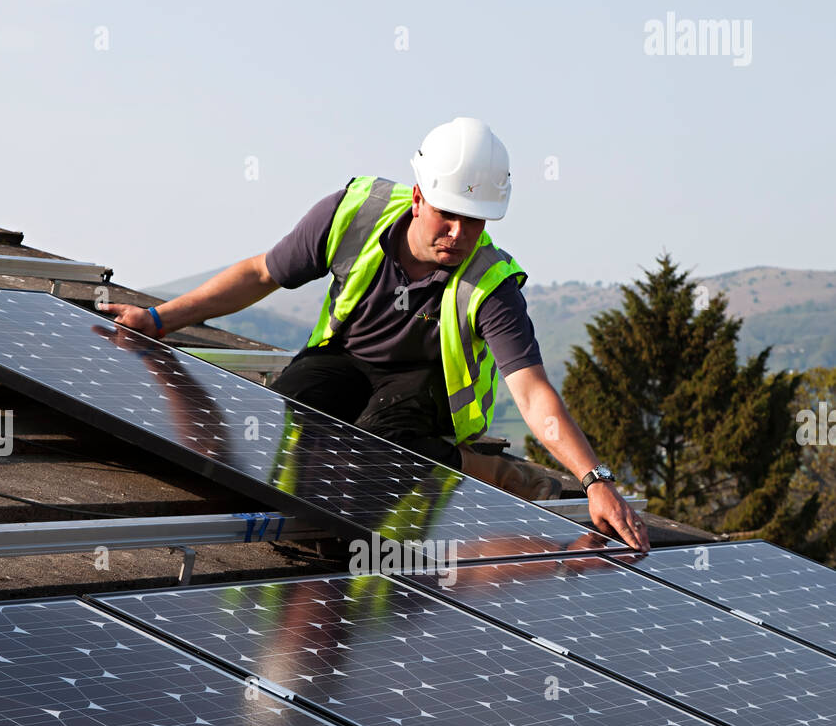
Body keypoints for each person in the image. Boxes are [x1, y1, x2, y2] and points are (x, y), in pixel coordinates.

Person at [100, 117, 649, 550]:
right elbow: (261, 273)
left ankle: (492, 469)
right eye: (448, 215)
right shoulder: (352, 214)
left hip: (422, 389)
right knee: (291, 410)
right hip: (344, 361)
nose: (459, 235)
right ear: (417, 196)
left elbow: (531, 392)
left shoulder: (492, 283)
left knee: (377, 454)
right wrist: (157, 320)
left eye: (476, 221)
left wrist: (594, 478)